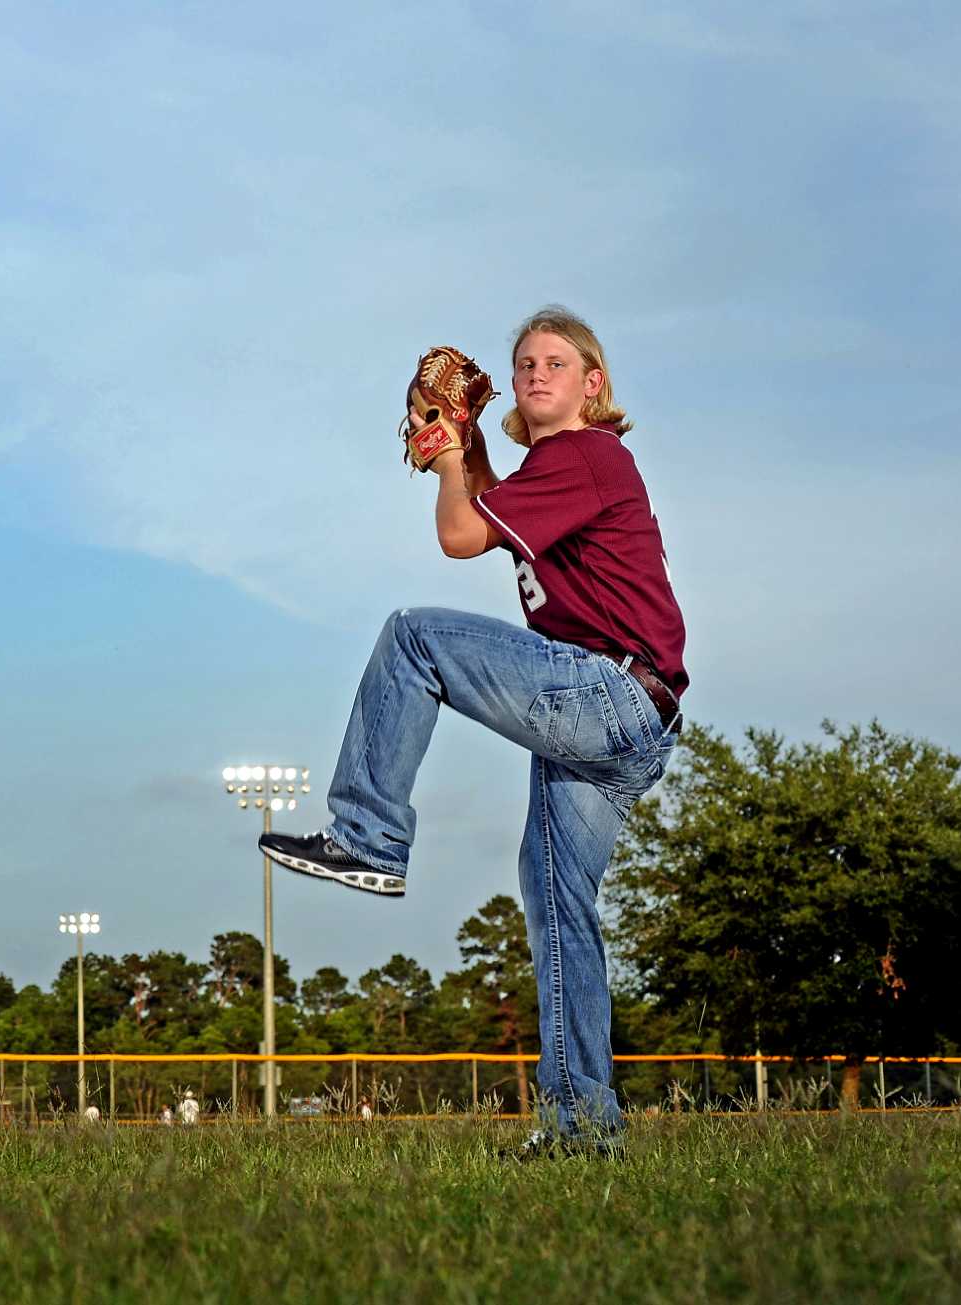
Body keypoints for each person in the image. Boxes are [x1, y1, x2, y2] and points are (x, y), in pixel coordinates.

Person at [261, 308, 685, 1158]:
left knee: (414, 636)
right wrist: (472, 452)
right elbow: (493, 511)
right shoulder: (557, 471)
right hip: (633, 716)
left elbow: (460, 533)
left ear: (591, 385)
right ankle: (581, 1126)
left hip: (609, 692)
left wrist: (453, 451)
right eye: (525, 361)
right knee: (559, 903)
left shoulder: (587, 455)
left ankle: (369, 837)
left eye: (557, 363)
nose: (534, 374)